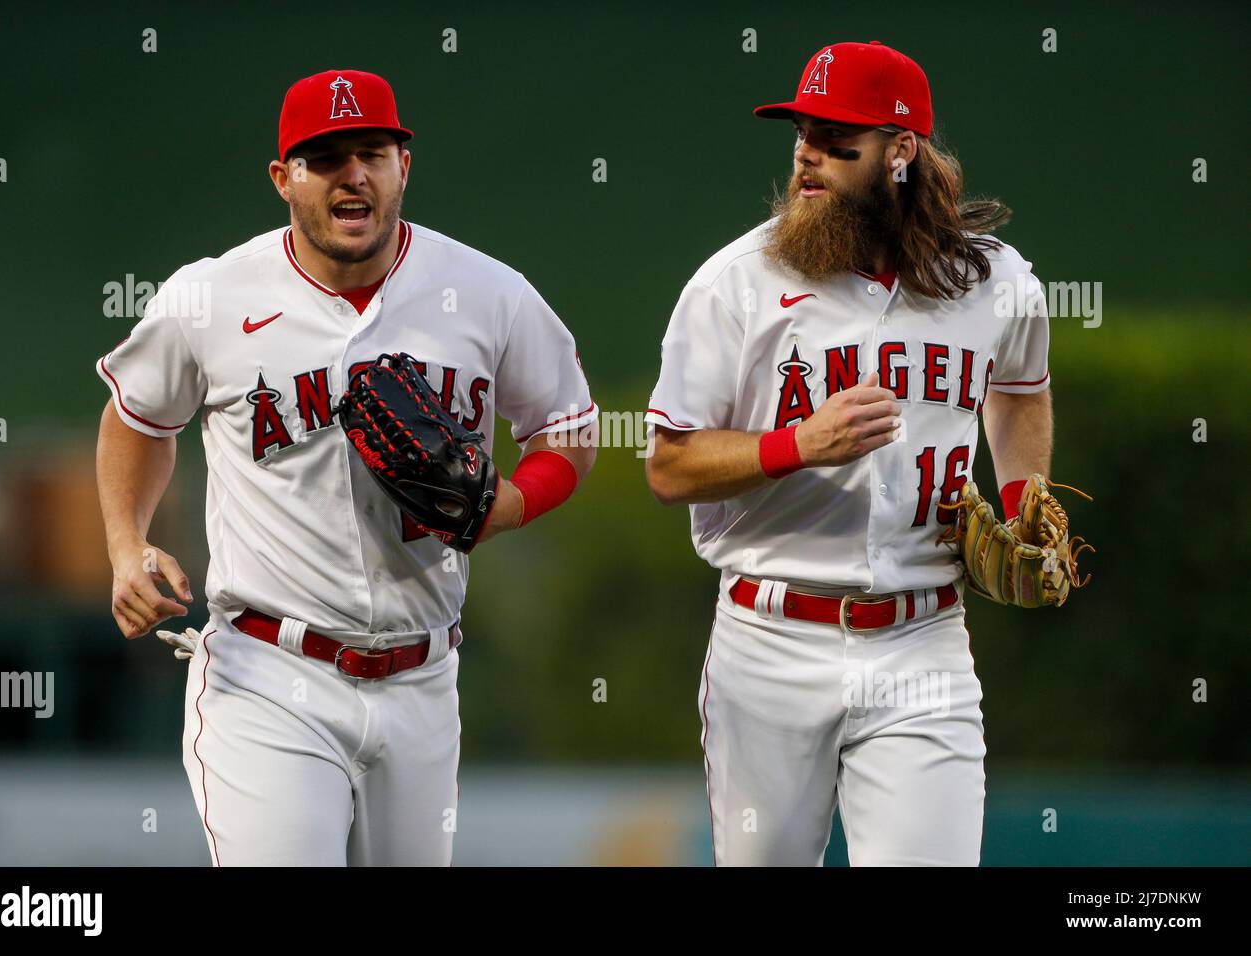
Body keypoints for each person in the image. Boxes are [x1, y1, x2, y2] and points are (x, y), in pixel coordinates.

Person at [95, 69, 597, 865]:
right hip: (269, 672)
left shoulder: (489, 293)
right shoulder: (212, 295)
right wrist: (127, 542)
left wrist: (512, 504)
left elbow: (567, 430)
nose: (352, 174)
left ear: (405, 165)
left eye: (371, 152)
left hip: (425, 677)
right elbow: (138, 418)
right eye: (325, 157)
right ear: (283, 177)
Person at [644, 41, 1052, 866]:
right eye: (803, 136)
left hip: (924, 639)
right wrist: (798, 444)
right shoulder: (734, 282)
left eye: (840, 143)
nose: (810, 157)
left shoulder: (995, 280)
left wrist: (1021, 503)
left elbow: (1021, 388)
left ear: (902, 152)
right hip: (770, 637)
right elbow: (668, 465)